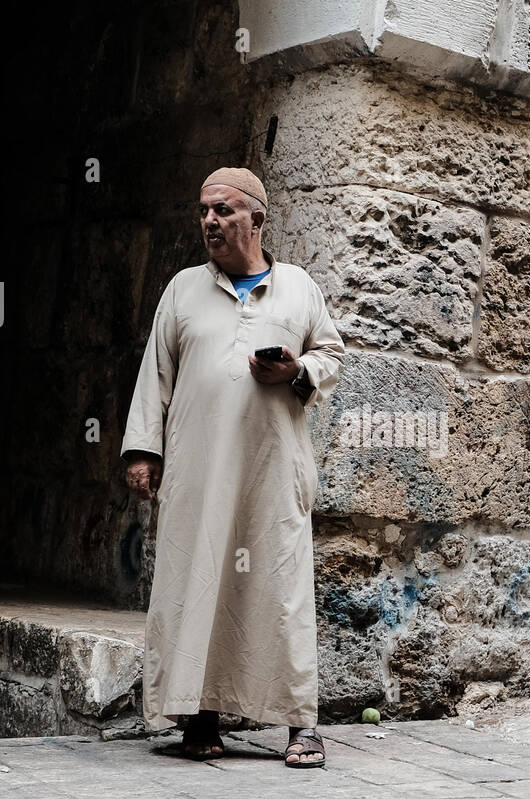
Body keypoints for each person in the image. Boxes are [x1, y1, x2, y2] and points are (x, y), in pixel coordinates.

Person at [120, 167, 344, 767]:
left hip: (272, 469)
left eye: (222, 210)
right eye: (203, 212)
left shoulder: (298, 288)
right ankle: (199, 716)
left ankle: (301, 724)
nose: (210, 222)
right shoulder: (184, 289)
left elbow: (331, 354)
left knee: (280, 589)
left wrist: (296, 371)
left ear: (256, 219)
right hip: (197, 469)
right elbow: (155, 373)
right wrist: (144, 449)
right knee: (197, 582)